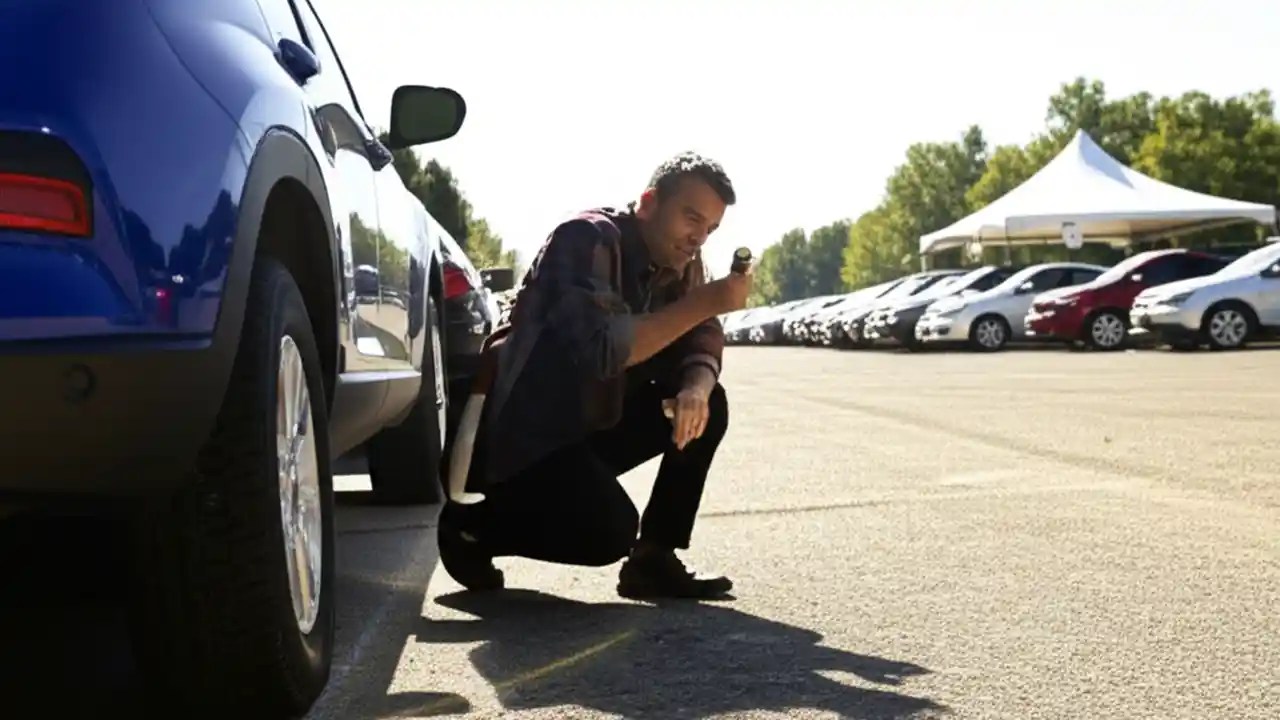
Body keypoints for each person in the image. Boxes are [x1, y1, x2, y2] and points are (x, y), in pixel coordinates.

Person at [437, 151, 751, 600]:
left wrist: (695, 388)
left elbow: (701, 333)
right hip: (531, 439)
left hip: (592, 425)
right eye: (691, 218)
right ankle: (473, 529)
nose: (698, 238)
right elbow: (601, 350)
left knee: (708, 403)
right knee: (608, 534)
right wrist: (709, 300)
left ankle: (654, 560)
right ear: (648, 202)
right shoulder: (585, 239)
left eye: (710, 229)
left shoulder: (681, 263)